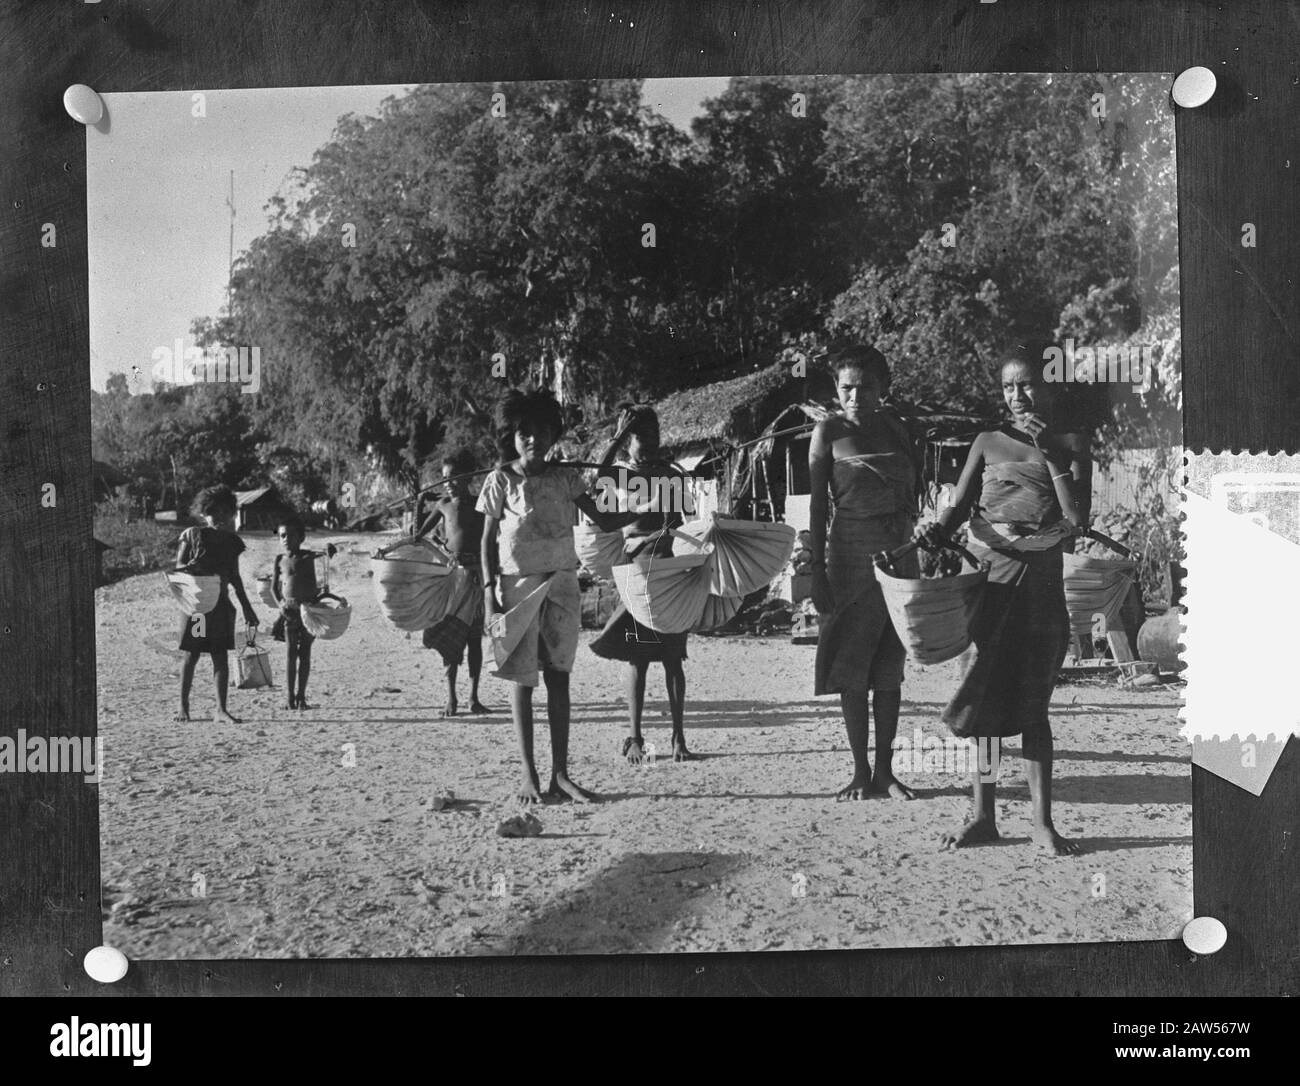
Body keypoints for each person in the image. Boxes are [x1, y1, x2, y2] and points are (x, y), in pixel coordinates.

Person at [919, 343, 1090, 856]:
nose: (1018, 396)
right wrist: (936, 530)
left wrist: (1054, 457)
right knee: (986, 704)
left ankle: (1042, 824)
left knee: (1034, 707)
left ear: (1050, 384)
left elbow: (1077, 522)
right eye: (1009, 387)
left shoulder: (1071, 442)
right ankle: (983, 817)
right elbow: (959, 506)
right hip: (989, 583)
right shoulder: (987, 442)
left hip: (1039, 586)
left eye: (1028, 383)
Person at [477, 387, 642, 804]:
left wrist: (643, 512)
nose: (534, 439)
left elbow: (603, 518)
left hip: (563, 585)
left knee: (559, 678)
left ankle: (561, 776)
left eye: (543, 431)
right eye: (525, 433)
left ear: (555, 435)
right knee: (522, 679)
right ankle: (529, 776)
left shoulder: (566, 478)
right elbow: (486, 542)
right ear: (512, 436)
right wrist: (488, 598)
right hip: (515, 588)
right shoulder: (500, 481)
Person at [809, 344, 920, 801]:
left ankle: (886, 772)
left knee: (889, 666)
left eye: (866, 387)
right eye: (846, 388)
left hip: (899, 553)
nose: (855, 396)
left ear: (884, 388)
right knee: (852, 665)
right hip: (850, 557)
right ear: (836, 390)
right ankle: (859, 771)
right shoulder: (827, 432)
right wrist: (816, 570)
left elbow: (913, 493)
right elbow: (818, 506)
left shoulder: (897, 429)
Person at [589, 403, 695, 764]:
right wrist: (615, 437)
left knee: (673, 659)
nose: (647, 444)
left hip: (671, 573)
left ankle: (678, 737)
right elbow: (596, 495)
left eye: (653, 436)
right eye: (638, 437)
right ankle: (634, 737)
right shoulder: (617, 477)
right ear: (625, 441)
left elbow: (683, 523)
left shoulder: (673, 475)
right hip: (635, 575)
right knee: (637, 659)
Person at [413, 450, 489, 717]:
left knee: (475, 641)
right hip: (452, 578)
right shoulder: (443, 504)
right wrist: (419, 504)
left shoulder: (481, 504)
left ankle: (473, 697)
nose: (447, 482)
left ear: (467, 477)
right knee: (450, 642)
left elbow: (491, 539)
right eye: (444, 478)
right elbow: (417, 535)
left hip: (476, 577)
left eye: (453, 477)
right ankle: (451, 698)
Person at [174, 485, 259, 722]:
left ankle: (221, 709)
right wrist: (194, 563)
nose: (219, 516)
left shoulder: (232, 542)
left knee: (220, 655)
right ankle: (183, 706)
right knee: (192, 654)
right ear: (204, 513)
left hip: (220, 607)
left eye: (224, 511)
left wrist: (247, 607)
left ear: (231, 512)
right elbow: (179, 568)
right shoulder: (192, 535)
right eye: (214, 511)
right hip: (198, 608)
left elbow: (235, 578)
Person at [270, 514, 334, 710]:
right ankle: (290, 698)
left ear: (301, 537)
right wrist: (280, 604)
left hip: (309, 611)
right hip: (289, 612)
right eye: (282, 536)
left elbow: (325, 553)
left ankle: (301, 698)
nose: (286, 539)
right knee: (291, 654)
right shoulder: (279, 559)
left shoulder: (309, 556)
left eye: (291, 535)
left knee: (305, 653)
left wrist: (330, 550)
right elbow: (274, 588)